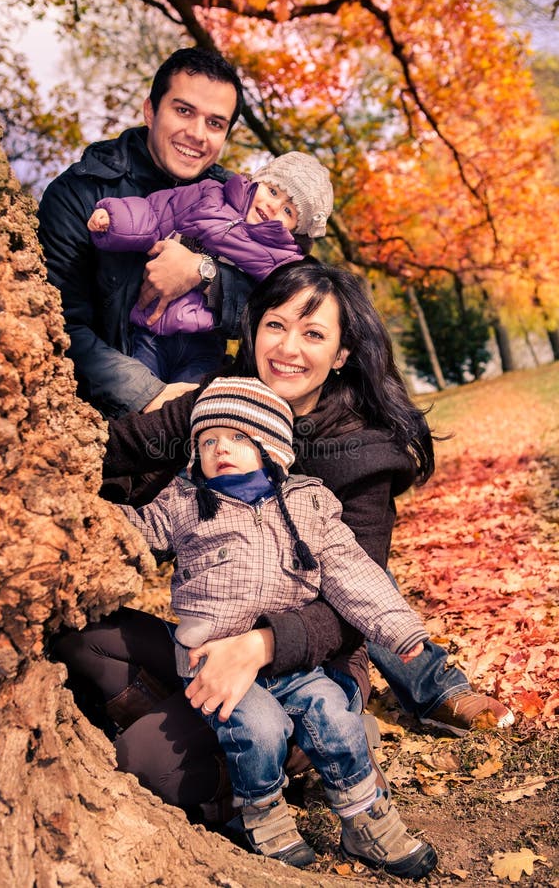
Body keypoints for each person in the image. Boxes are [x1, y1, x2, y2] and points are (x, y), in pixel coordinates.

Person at [53, 260, 513, 838]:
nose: (288, 347)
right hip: (205, 644)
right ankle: (220, 732)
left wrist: (260, 645)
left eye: (314, 333)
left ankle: (309, 747)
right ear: (254, 331)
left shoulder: (361, 451)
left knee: (143, 764)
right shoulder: (217, 404)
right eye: (275, 325)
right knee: (79, 636)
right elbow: (113, 451)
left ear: (342, 353)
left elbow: (356, 604)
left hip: (306, 663)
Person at [116, 375, 437, 877]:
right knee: (260, 729)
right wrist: (84, 516)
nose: (221, 449)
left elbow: (353, 572)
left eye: (239, 437)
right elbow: (136, 529)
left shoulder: (309, 502)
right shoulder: (184, 502)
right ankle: (262, 813)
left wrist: (401, 630)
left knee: (334, 713)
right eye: (208, 441)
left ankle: (365, 819)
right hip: (214, 657)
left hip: (293, 658)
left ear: (272, 447)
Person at [38, 46, 254, 418]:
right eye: (183, 111)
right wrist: (148, 395)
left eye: (215, 123)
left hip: (205, 396)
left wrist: (204, 273)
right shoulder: (80, 192)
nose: (197, 134)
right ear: (150, 110)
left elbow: (272, 304)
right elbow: (58, 321)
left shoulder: (237, 203)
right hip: (105, 412)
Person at [86, 151, 333, 380]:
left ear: (296, 230)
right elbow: (155, 211)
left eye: (288, 210)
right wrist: (115, 218)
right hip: (150, 327)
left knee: (188, 402)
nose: (273, 206)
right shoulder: (210, 195)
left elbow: (265, 303)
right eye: (273, 191)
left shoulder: (281, 256)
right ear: (258, 180)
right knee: (139, 381)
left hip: (206, 342)